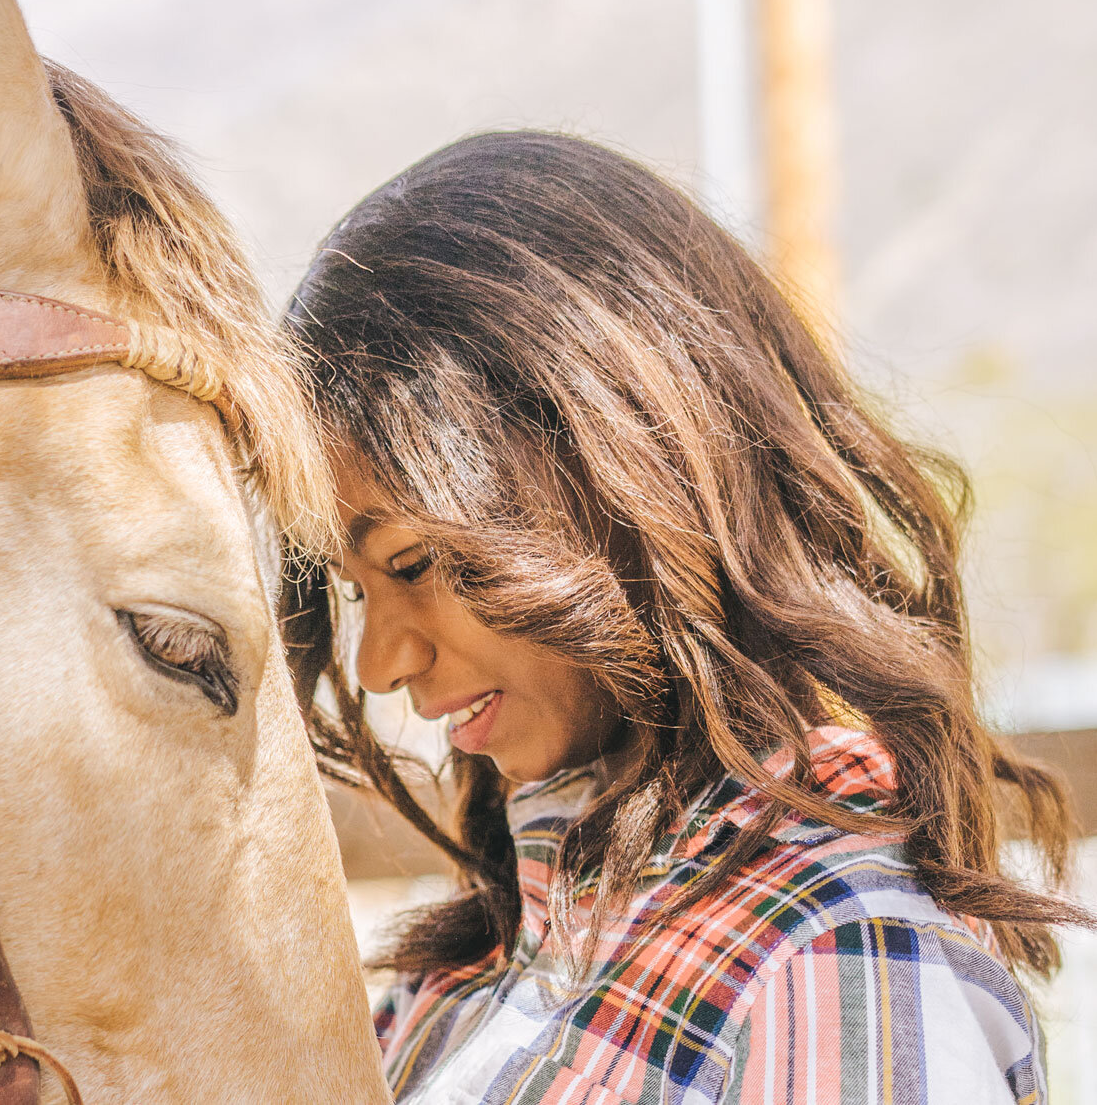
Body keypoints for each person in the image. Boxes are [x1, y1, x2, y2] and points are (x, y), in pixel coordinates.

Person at [282, 131, 1083, 1104]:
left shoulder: (833, 970)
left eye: (416, 563)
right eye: (357, 590)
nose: (377, 660)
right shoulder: (474, 973)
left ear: (624, 475)